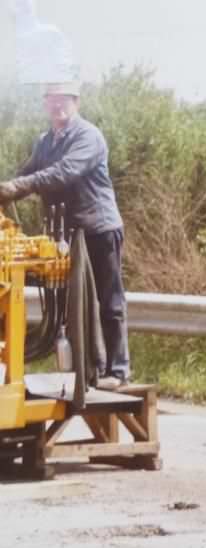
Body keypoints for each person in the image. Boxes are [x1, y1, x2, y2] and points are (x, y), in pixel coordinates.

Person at [0, 81, 130, 390]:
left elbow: (63, 172)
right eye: (52, 100)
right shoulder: (45, 141)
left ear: (76, 103)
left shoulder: (88, 136)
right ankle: (90, 370)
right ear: (45, 103)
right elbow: (26, 174)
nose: (58, 106)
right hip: (66, 233)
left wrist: (16, 187)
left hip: (98, 228)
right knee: (74, 305)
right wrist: (7, 189)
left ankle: (118, 370)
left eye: (64, 100)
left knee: (108, 300)